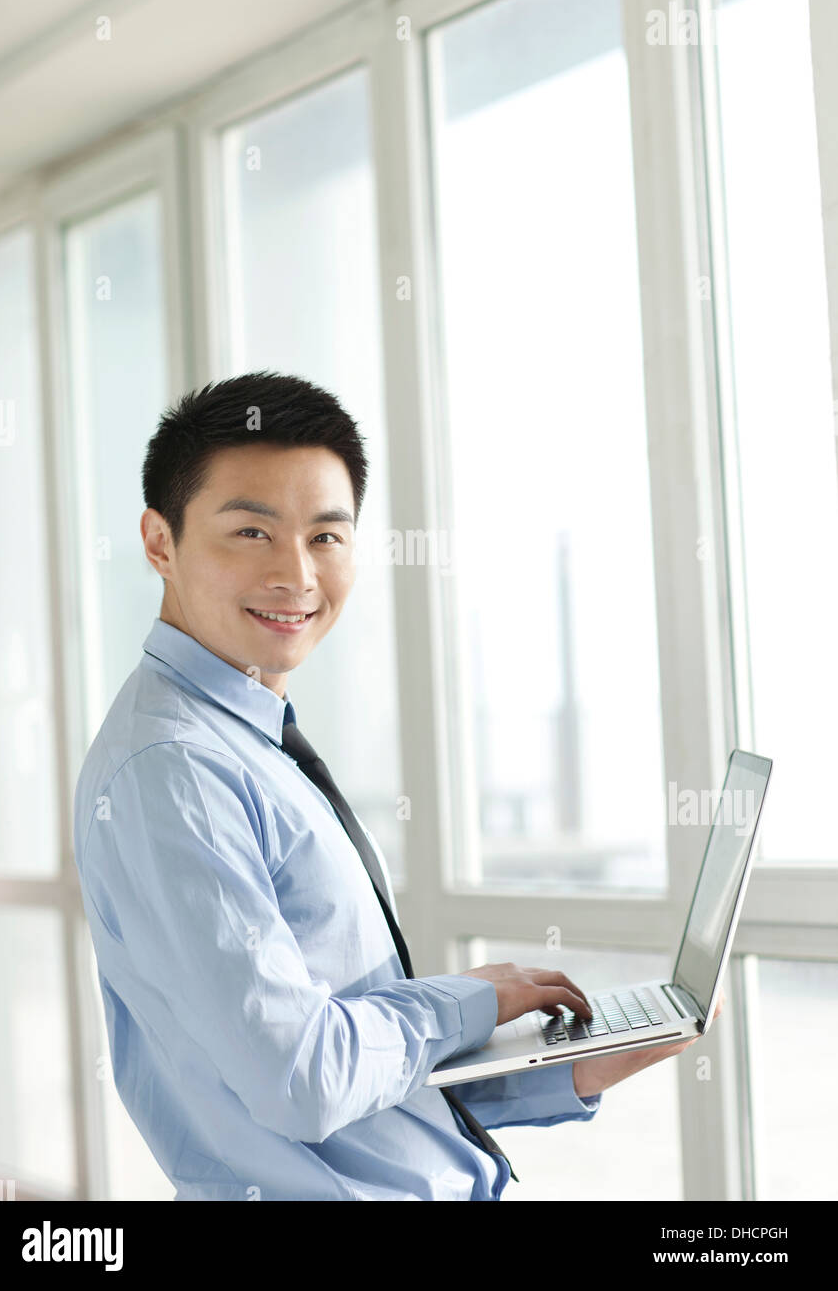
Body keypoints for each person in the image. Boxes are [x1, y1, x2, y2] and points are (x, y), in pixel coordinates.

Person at [73, 371, 721, 1201]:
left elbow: (352, 1080)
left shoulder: (252, 740)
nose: (297, 576)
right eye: (251, 533)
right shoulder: (173, 771)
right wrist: (467, 1002)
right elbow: (299, 1078)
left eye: (326, 537)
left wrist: (573, 1066)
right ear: (159, 541)